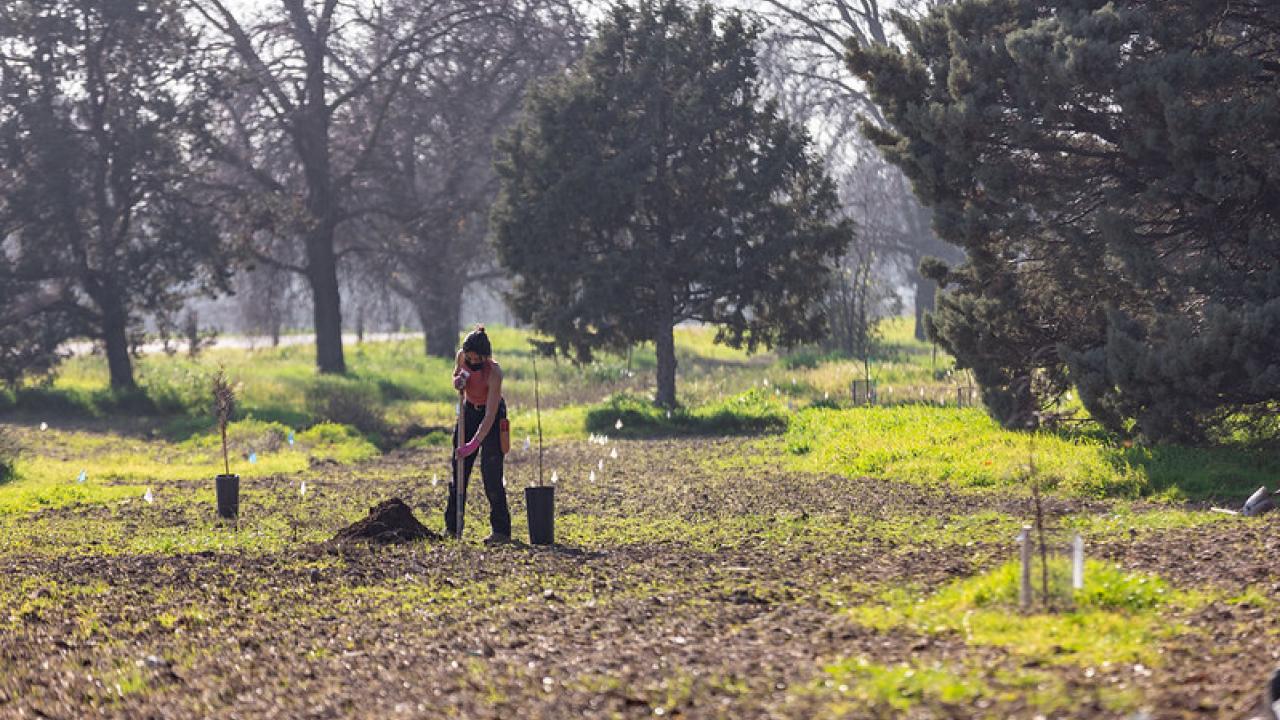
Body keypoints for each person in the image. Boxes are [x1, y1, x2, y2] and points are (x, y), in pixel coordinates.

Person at [445, 325, 511, 543]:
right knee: (459, 474)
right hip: (468, 413)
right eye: (470, 359)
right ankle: (453, 528)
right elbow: (457, 376)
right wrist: (457, 381)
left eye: (477, 360)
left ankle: (501, 531)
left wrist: (473, 444)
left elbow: (490, 414)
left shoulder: (494, 373)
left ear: (485, 356)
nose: (472, 362)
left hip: (491, 418)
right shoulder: (461, 356)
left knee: (491, 475)